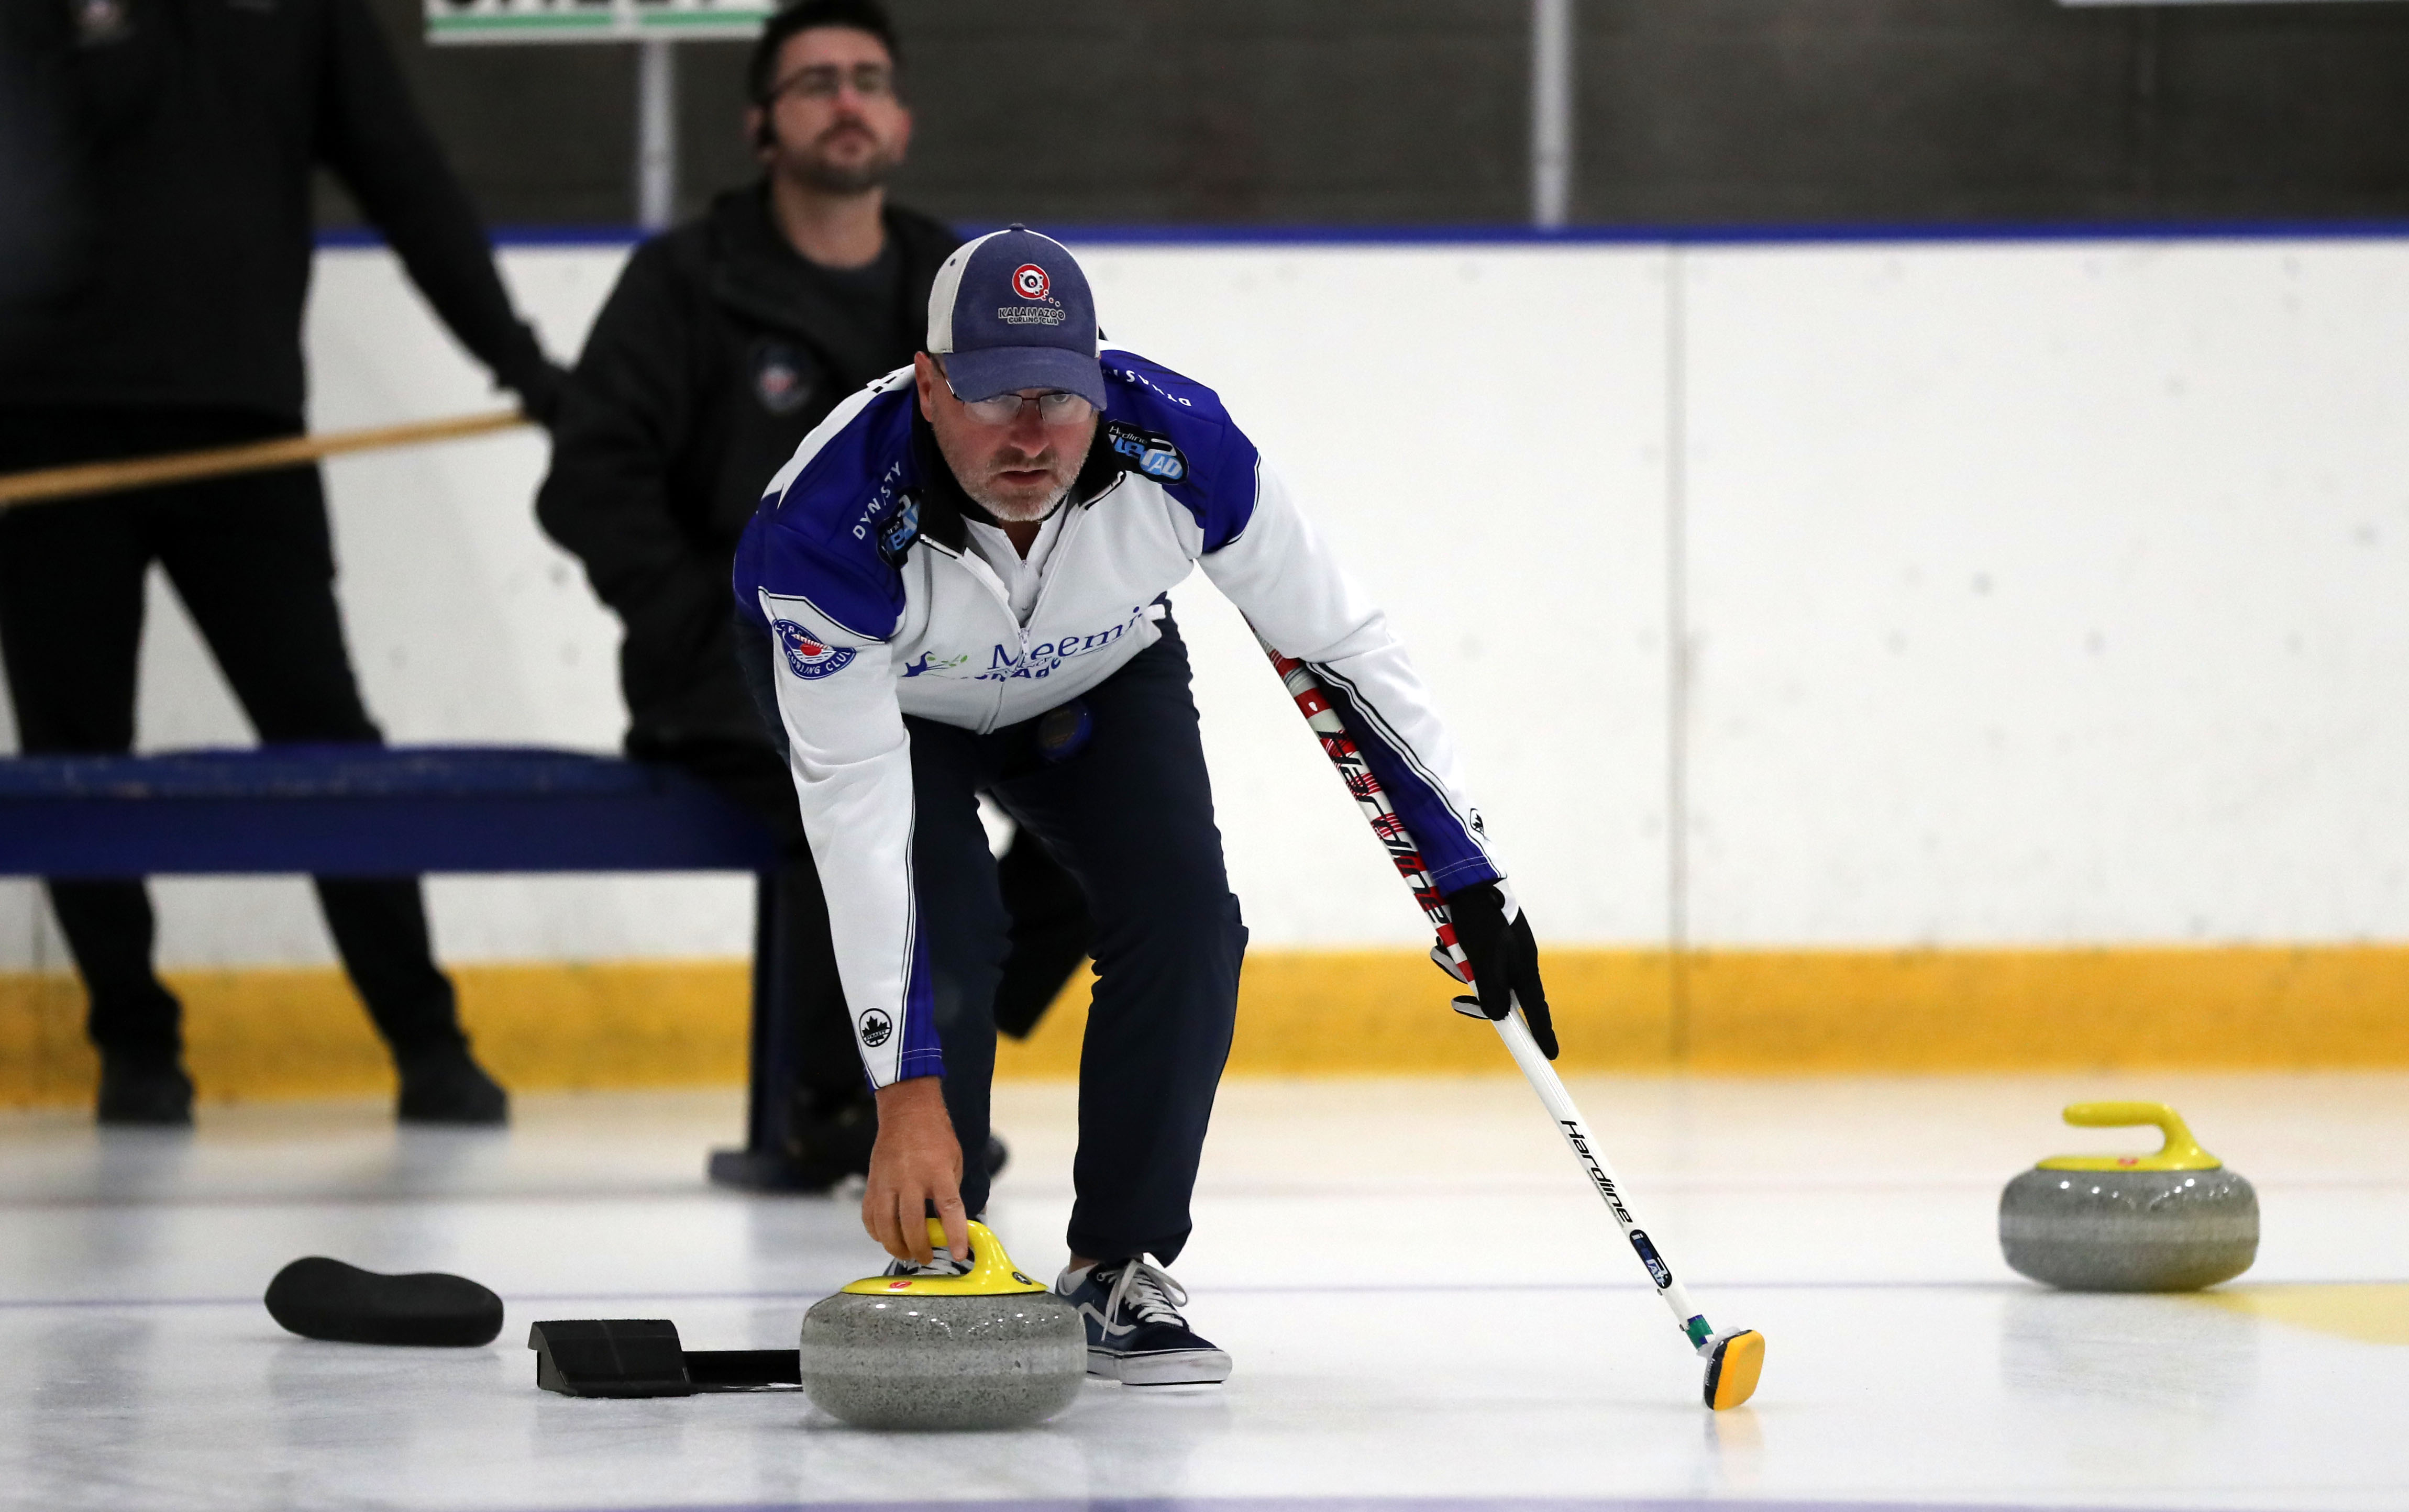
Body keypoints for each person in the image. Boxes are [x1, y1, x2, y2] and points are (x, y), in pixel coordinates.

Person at [731, 227, 1559, 1384]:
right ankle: (944, 1248)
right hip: (896, 705)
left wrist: (1468, 881)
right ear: (928, 386)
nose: (1031, 437)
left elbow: (1340, 646)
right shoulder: (828, 524)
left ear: (1100, 379)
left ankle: (1117, 1262)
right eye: (993, 396)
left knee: (1186, 921)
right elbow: (860, 831)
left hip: (1095, 678)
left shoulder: (1181, 442)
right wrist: (905, 1101)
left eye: (1060, 397)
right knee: (949, 922)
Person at [536, 0, 1089, 1188]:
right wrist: (709, 624)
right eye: (815, 83)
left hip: (939, 650)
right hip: (734, 664)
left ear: (902, 118)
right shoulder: (685, 283)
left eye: (869, 80)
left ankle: (951, 1028)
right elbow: (590, 483)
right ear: (760, 125)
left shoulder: (952, 287)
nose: (847, 102)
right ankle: (840, 1095)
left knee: (1102, 785)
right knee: (849, 789)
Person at [0, 0, 565, 1126]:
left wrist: (517, 358)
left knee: (326, 743)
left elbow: (404, 177)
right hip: (46, 435)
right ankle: (134, 1048)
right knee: (77, 761)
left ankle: (426, 1039)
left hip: (246, 434)